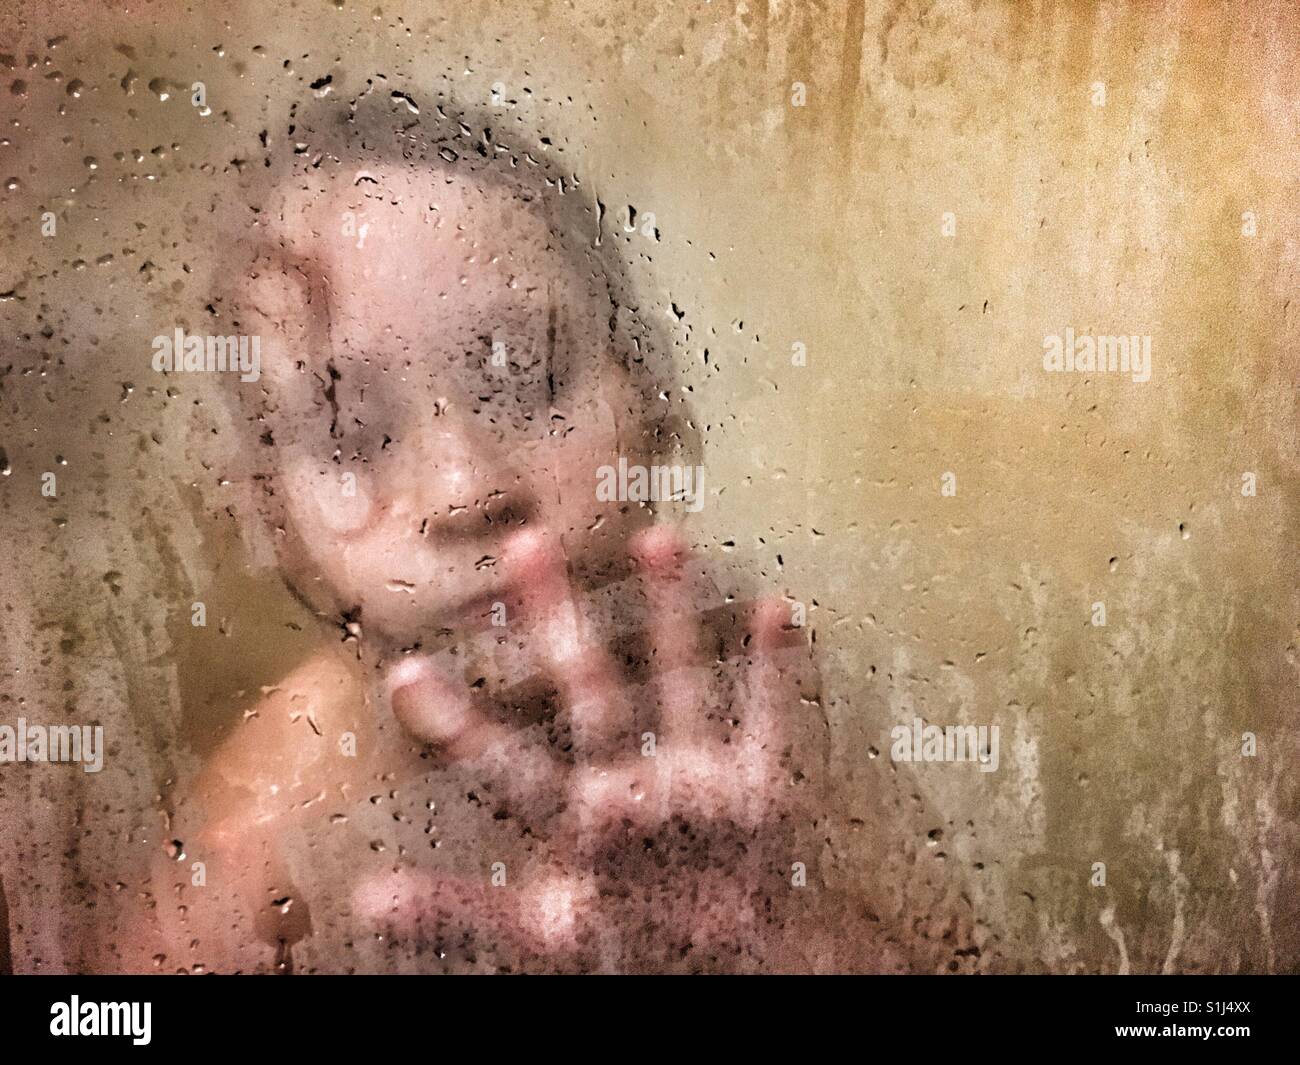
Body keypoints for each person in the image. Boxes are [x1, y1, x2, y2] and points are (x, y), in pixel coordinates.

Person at [133, 89, 879, 973]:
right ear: (274, 519)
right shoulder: (280, 812)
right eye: (350, 433)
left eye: (525, 377)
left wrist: (769, 944)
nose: (466, 489)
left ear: (651, 399)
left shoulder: (756, 684)